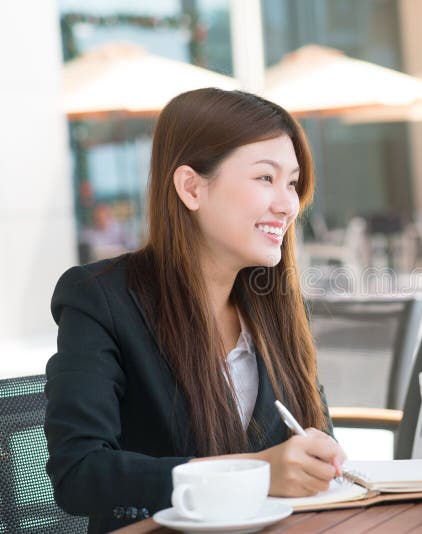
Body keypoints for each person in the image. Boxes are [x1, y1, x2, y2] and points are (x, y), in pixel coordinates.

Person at [45, 88, 346, 533]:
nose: (288, 204)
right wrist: (257, 472)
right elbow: (79, 473)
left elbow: (316, 442)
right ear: (191, 187)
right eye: (266, 178)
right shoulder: (100, 299)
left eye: (292, 183)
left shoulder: (276, 305)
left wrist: (319, 463)